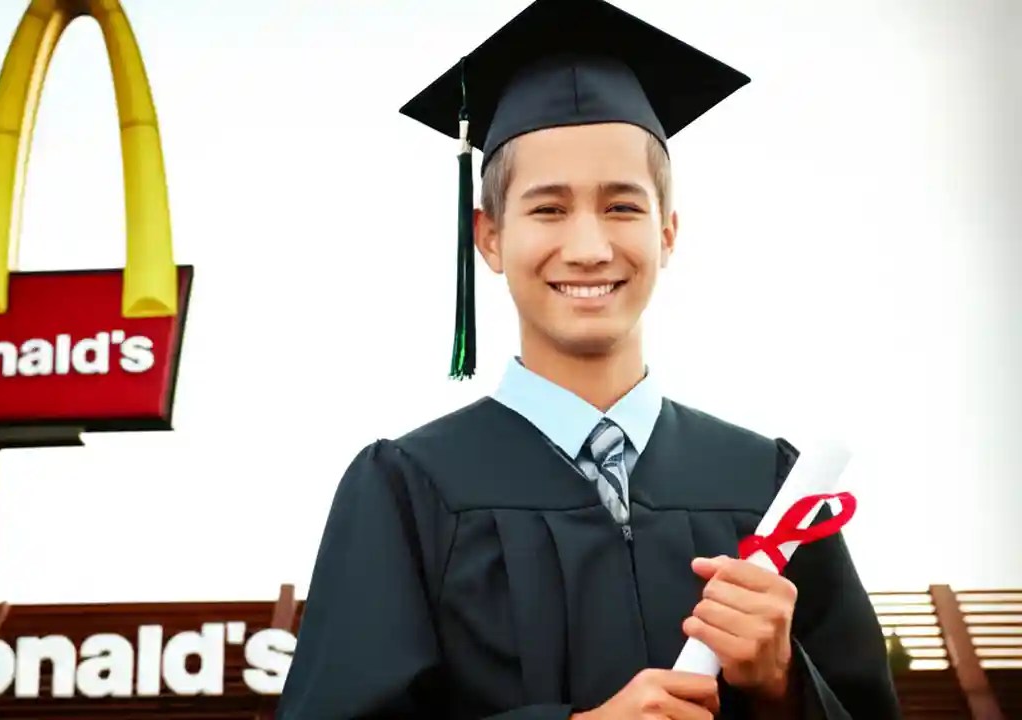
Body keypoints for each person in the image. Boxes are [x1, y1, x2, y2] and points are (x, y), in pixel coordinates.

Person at [276, 0, 901, 717]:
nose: (588, 247)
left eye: (622, 207)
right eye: (547, 209)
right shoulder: (408, 491)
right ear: (487, 236)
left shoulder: (771, 487)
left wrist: (784, 686)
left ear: (667, 233)